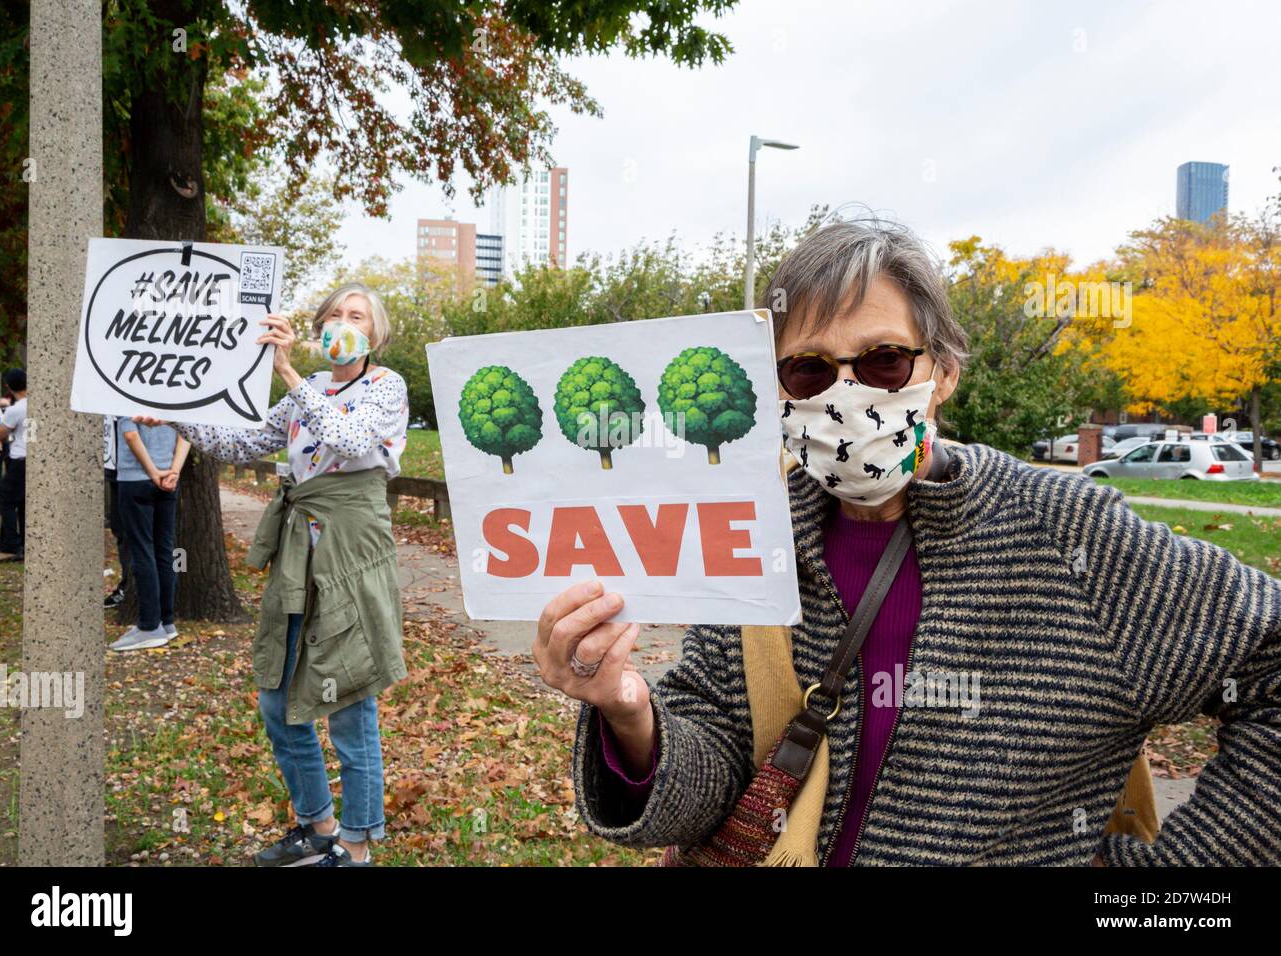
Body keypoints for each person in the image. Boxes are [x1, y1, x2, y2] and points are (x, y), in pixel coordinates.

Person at [534, 217, 1281, 866]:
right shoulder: (758, 530)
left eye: (884, 360)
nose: (847, 392)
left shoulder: (1066, 534)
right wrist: (632, 716)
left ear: (943, 373)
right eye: (809, 368)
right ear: (779, 388)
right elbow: (720, 773)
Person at [137, 283, 409, 867]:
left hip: (350, 553)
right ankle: (318, 828)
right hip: (296, 551)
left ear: (375, 334)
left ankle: (356, 849)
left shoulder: (387, 388)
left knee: (350, 703)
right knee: (277, 698)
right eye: (334, 314)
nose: (344, 323)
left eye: (356, 316)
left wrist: (285, 372)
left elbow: (349, 438)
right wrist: (177, 415)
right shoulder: (308, 390)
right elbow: (245, 441)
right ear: (317, 327)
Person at [108, 417, 189, 651]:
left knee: (143, 552)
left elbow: (131, 435)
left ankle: (149, 626)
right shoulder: (175, 392)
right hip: (170, 479)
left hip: (135, 479)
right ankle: (167, 621)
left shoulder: (127, 389)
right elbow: (187, 434)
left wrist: (153, 472)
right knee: (166, 551)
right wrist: (174, 470)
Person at [0, 370, 27, 565]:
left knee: (5, 498)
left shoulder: (15, 409)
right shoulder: (38, 405)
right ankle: (26, 543)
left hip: (20, 460)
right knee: (23, 502)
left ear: (8, 387)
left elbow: (2, 431)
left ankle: (11, 545)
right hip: (34, 460)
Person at [103, 415, 130, 608]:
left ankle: (129, 586)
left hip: (134, 470)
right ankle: (127, 585)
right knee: (120, 530)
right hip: (114, 469)